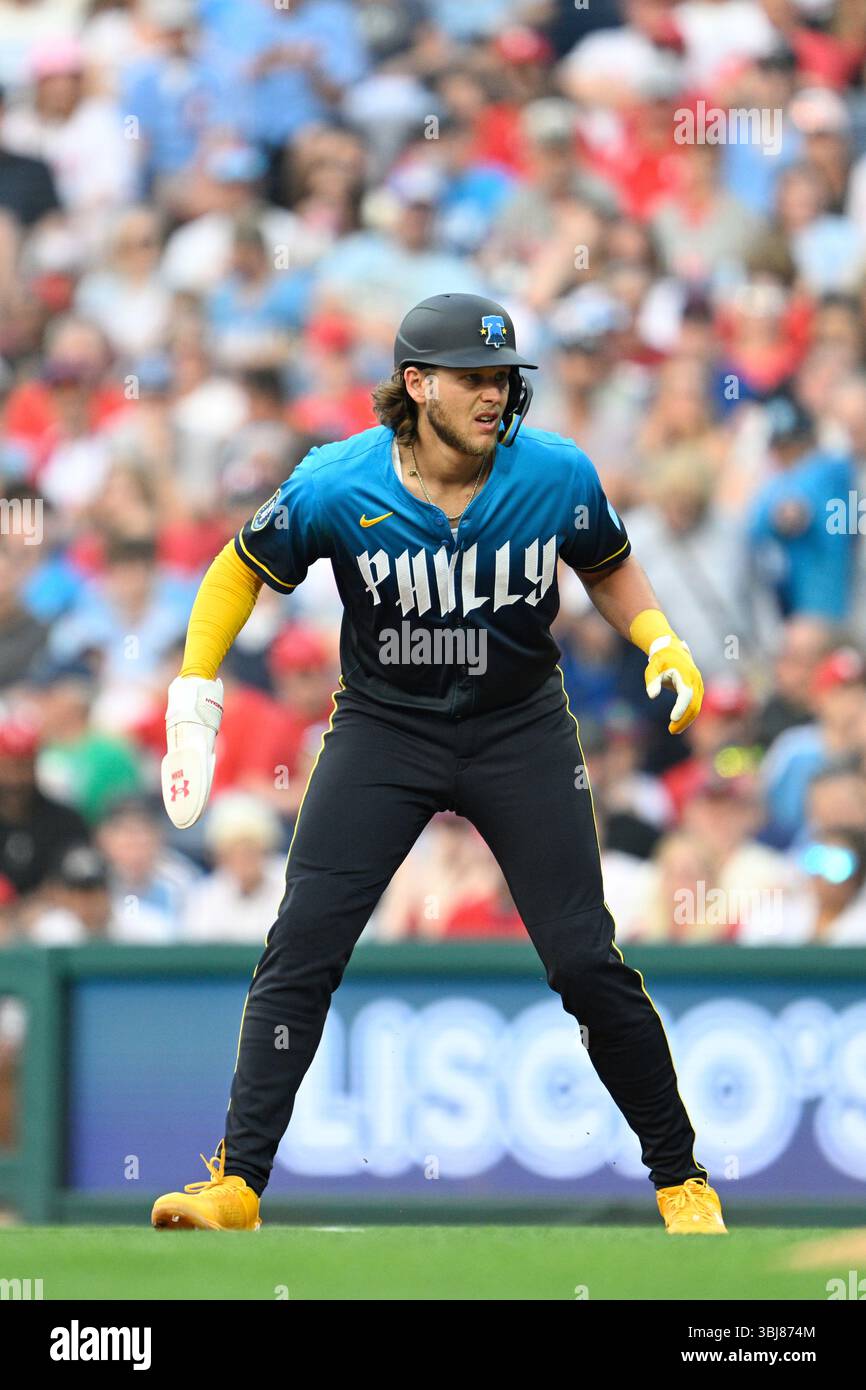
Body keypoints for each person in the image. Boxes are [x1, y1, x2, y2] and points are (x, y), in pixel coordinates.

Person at [151, 292, 726, 1236]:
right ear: (416, 385)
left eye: (503, 378)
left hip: (520, 727)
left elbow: (607, 561)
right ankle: (237, 1183)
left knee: (584, 961)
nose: (495, 396)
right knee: (302, 947)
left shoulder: (555, 473)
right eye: (472, 379)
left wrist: (660, 633)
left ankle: (682, 1180)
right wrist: (195, 680)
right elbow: (239, 566)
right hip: (386, 726)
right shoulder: (338, 480)